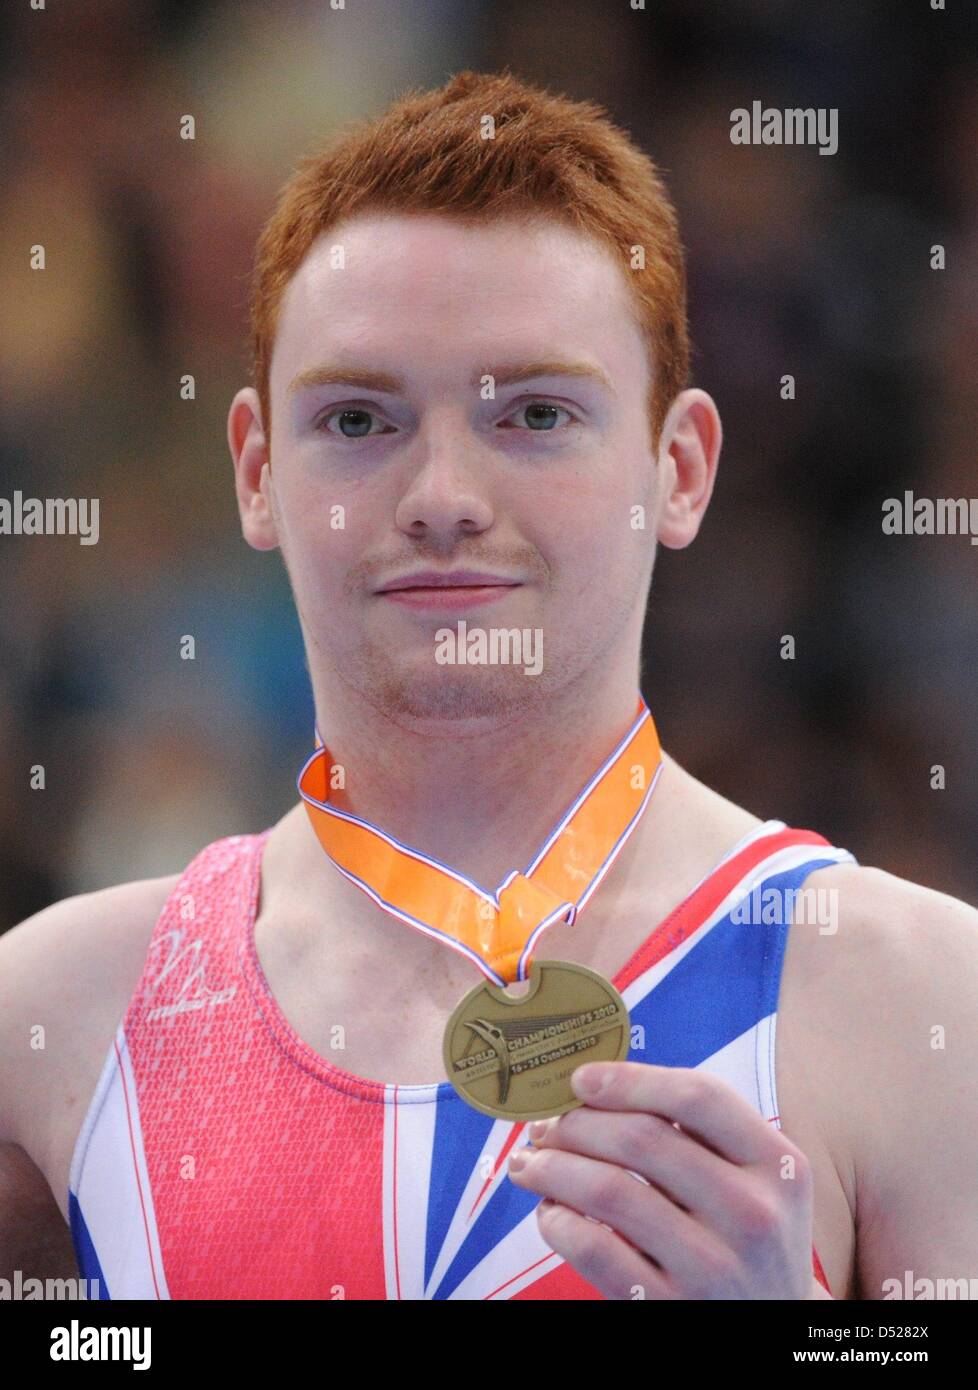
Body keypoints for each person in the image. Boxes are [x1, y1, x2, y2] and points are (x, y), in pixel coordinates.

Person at [2, 69, 976, 1302]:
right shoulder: (53, 1019)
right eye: (359, 420)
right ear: (255, 468)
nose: (444, 496)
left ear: (678, 467)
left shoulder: (920, 1005)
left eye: (534, 413)